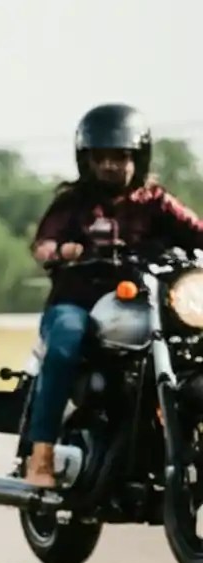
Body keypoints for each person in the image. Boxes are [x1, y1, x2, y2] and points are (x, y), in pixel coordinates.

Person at [24, 102, 203, 489]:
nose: (110, 166)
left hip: (147, 302)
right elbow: (43, 244)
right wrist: (61, 251)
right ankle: (41, 455)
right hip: (78, 303)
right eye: (101, 157)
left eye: (120, 157)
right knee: (66, 342)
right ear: (86, 160)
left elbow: (197, 231)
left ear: (137, 158)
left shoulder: (156, 202)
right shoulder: (73, 202)